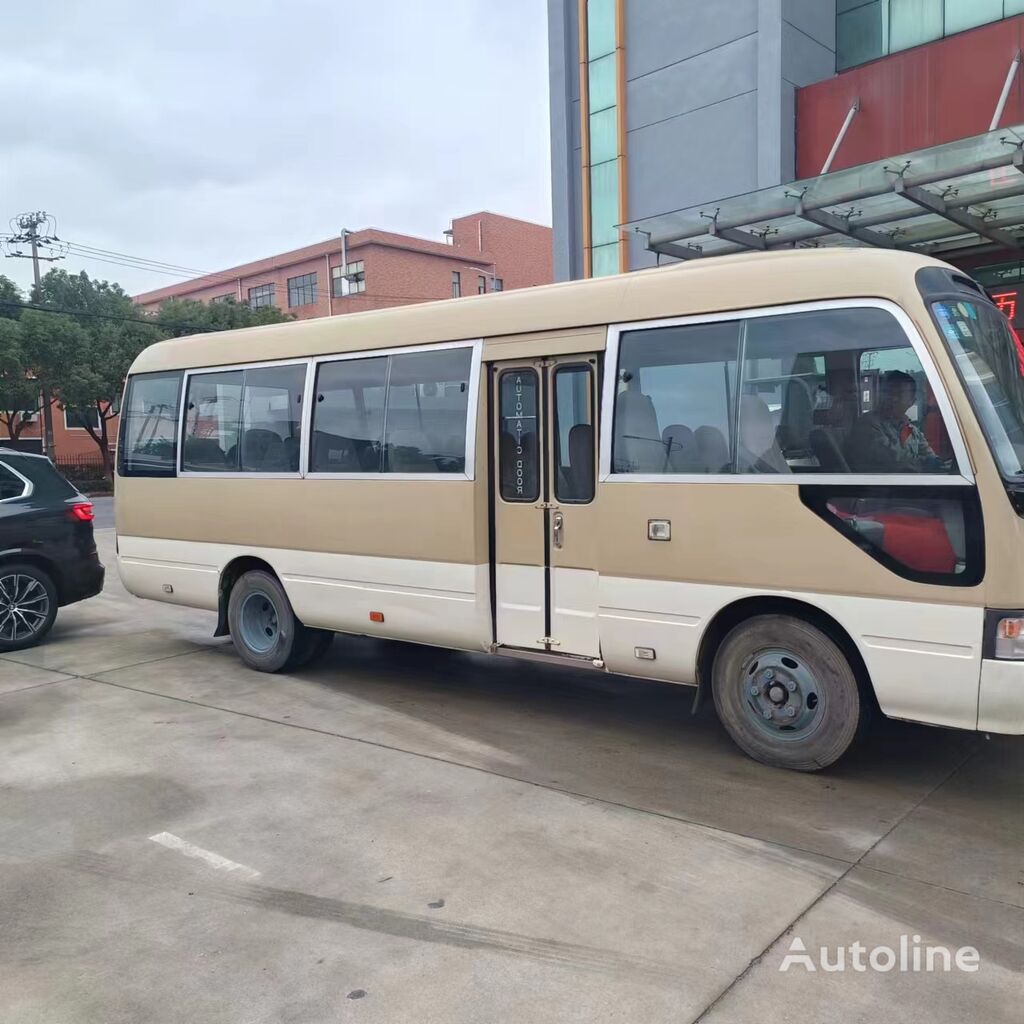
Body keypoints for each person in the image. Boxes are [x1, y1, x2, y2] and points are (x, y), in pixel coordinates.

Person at [846, 370, 941, 472]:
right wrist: (927, 464)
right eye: (889, 393)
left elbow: (930, 457)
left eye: (899, 394)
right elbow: (893, 460)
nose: (893, 399)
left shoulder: (912, 431)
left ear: (911, 402)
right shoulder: (867, 424)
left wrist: (938, 464)